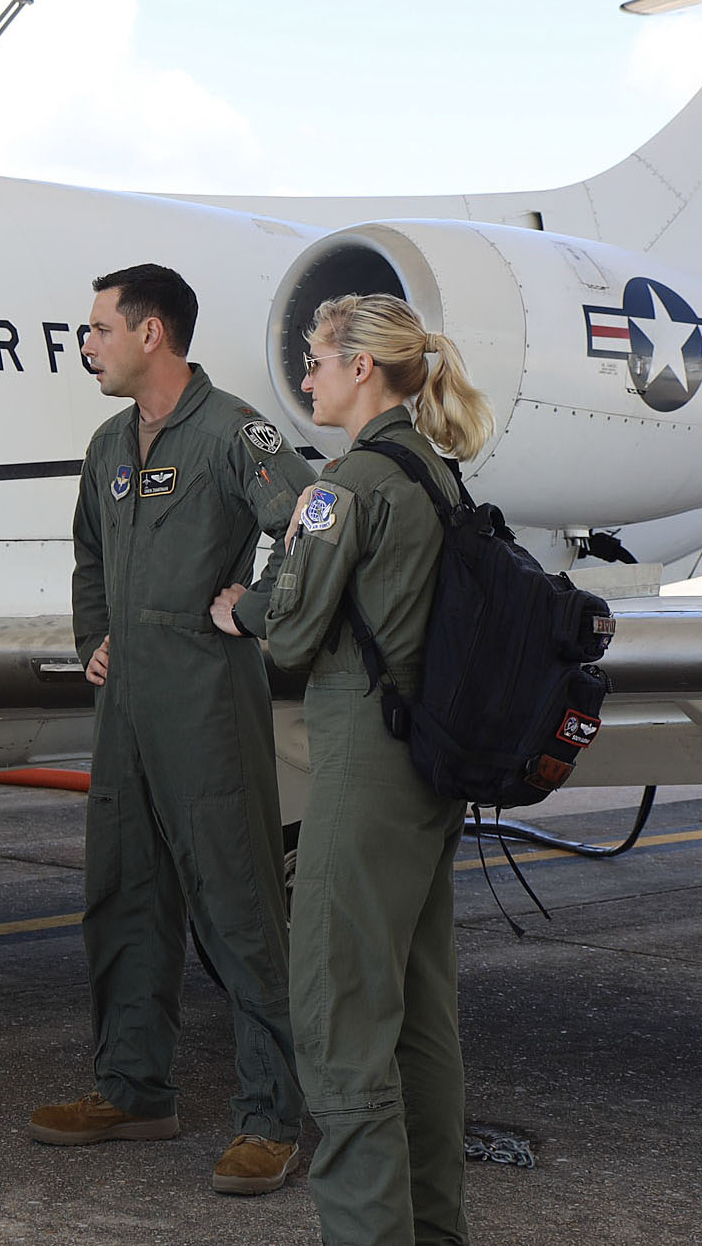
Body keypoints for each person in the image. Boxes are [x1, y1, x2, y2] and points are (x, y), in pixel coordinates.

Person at [31, 264, 313, 1195]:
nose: (87, 345)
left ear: (150, 333)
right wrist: (93, 640)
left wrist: (257, 608)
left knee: (238, 908)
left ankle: (271, 1119)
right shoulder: (110, 442)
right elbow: (88, 553)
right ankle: (134, 1090)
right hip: (125, 707)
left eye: (99, 329)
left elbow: (312, 522)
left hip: (206, 700)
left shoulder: (234, 431)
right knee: (124, 898)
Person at [224, 292, 494, 1245]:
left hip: (364, 764)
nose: (306, 380)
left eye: (316, 361)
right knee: (419, 1018)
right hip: (428, 767)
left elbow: (294, 631)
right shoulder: (436, 474)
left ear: (362, 368)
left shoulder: (346, 484)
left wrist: (240, 608)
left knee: (338, 1019)